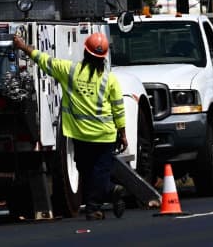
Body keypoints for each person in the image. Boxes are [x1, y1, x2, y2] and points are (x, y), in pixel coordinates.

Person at [11, 30, 127, 221]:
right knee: (99, 172)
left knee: (87, 171)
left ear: (85, 52)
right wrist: (122, 133)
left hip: (80, 135)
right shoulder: (110, 79)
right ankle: (107, 194)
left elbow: (45, 60)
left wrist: (23, 47)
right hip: (105, 136)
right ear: (104, 57)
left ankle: (94, 207)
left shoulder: (70, 71)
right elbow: (118, 108)